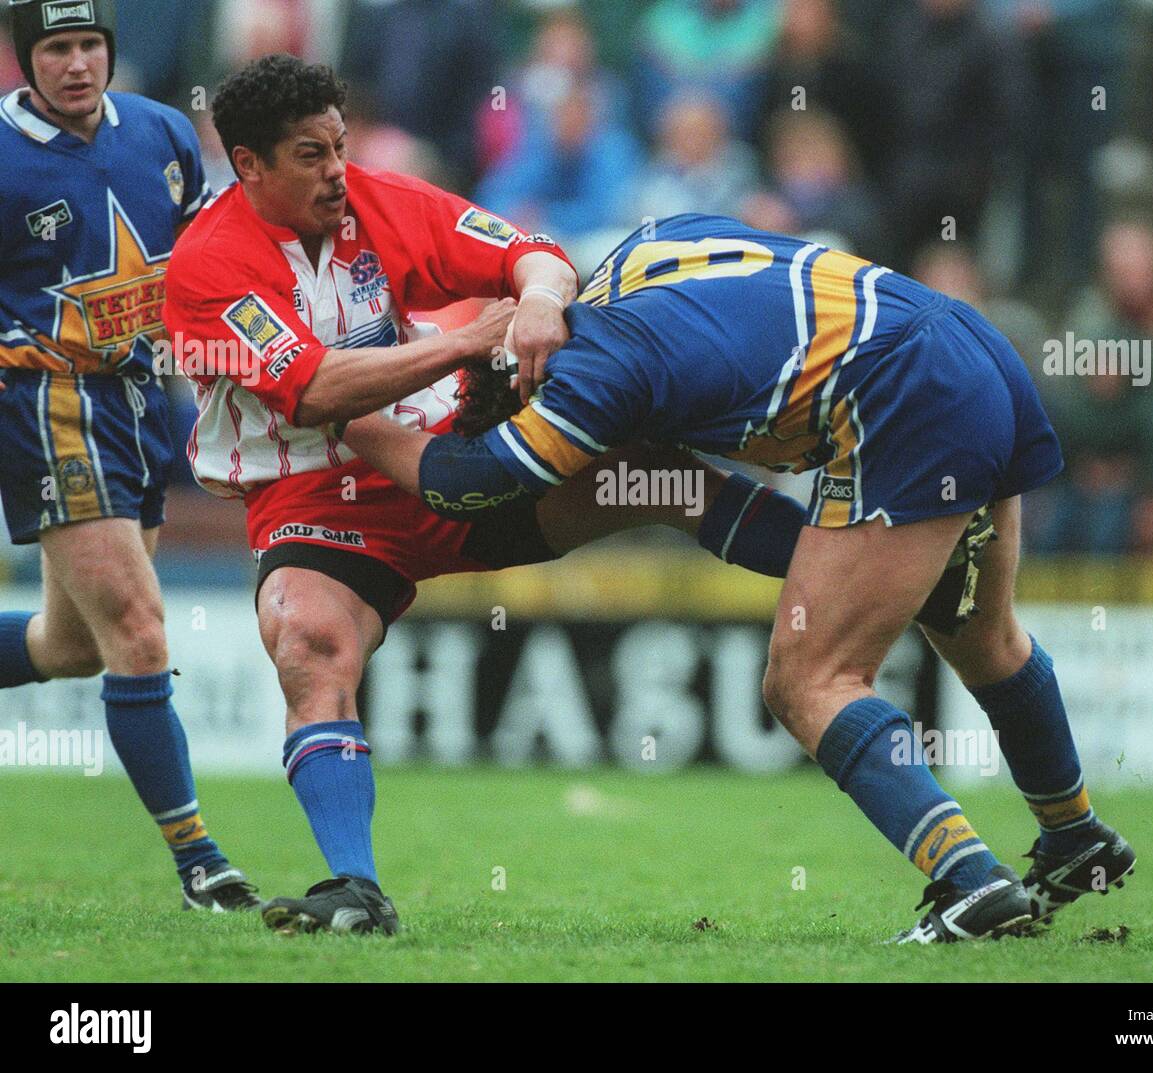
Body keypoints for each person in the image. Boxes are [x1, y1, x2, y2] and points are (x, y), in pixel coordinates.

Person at [343, 213, 1138, 942]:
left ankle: (972, 881)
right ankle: (1074, 833)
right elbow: (718, 507)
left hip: (900, 391)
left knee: (810, 679)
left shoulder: (585, 375)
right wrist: (857, 573)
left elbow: (470, 479)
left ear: (524, 380)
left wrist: (335, 409)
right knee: (981, 633)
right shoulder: (646, 252)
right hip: (963, 340)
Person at [162, 56, 808, 936]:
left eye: (341, 146)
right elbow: (314, 391)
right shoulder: (207, 266)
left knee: (658, 478)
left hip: (452, 451)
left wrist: (539, 303)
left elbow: (527, 252)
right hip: (311, 492)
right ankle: (356, 888)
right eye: (310, 154)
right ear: (249, 164)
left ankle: (849, 569)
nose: (336, 171)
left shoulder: (380, 199)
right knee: (310, 642)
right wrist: (469, 342)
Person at [0, 0, 258, 911]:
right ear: (23, 56)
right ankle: (201, 861)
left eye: (90, 45)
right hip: (47, 403)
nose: (77, 65)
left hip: (143, 400)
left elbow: (207, 255)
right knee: (142, 632)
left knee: (68, 644)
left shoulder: (159, 132)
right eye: (56, 48)